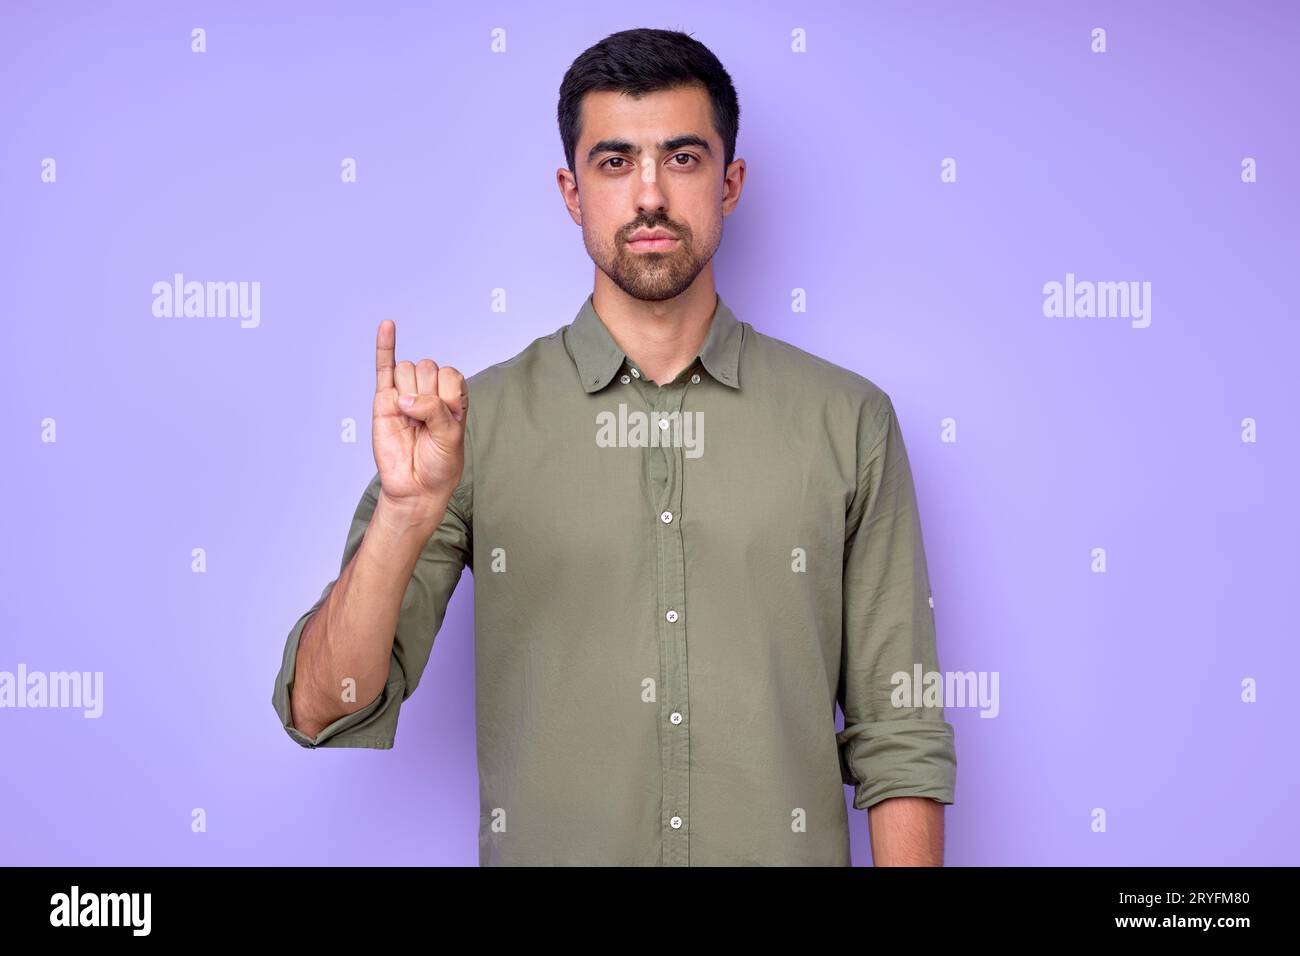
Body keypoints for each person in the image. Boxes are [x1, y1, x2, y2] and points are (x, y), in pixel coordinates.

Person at [271, 26, 956, 866]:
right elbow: (322, 706)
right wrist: (406, 515)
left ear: (730, 181)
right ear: (571, 191)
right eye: (615, 162)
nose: (650, 195)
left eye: (683, 158)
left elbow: (900, 730)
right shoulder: (467, 428)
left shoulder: (849, 421)